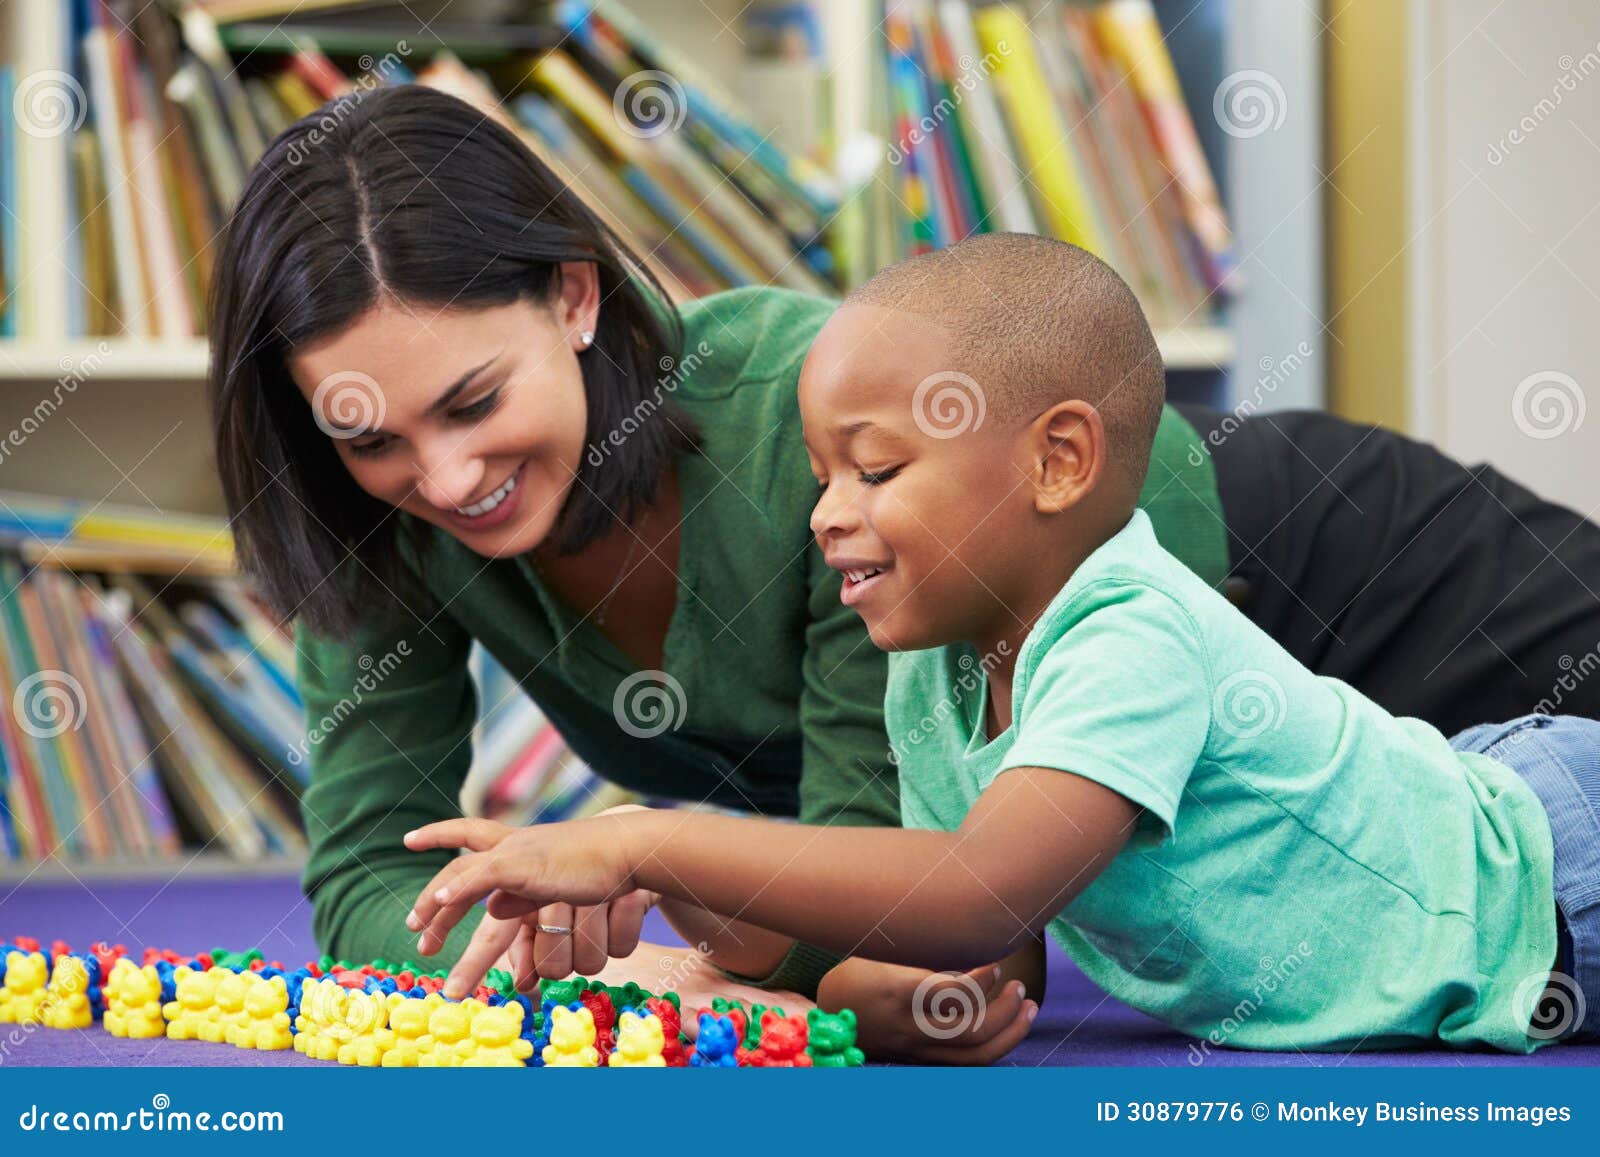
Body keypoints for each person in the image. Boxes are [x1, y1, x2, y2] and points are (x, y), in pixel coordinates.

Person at [211, 85, 1600, 1061]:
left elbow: (941, 883)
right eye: (368, 435)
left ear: (574, 296)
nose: (441, 481)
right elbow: (367, 888)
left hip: (1352, 587)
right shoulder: (373, 513)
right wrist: (559, 934)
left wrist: (647, 875)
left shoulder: (822, 463)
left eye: (471, 402)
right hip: (1240, 831)